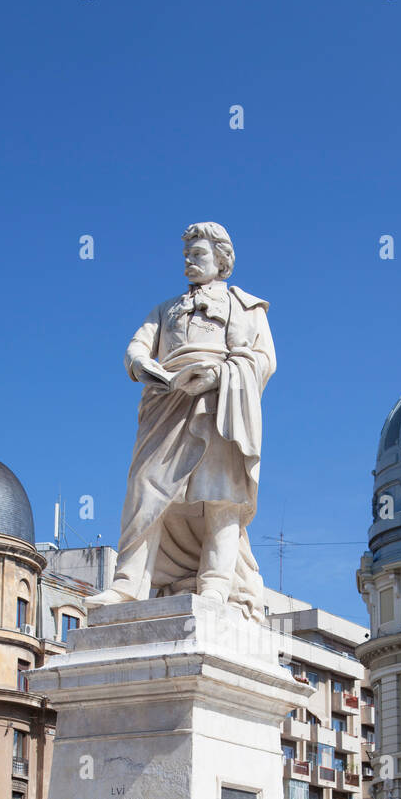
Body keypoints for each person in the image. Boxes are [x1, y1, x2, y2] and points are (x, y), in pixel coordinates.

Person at [86, 222, 275, 621]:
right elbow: (137, 345)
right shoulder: (165, 308)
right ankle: (128, 585)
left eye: (198, 254)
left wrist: (220, 376)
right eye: (186, 255)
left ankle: (215, 586)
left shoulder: (245, 306)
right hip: (165, 399)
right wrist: (141, 365)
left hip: (221, 403)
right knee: (145, 488)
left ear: (222, 260)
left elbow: (263, 360)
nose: (189, 262)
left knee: (221, 495)